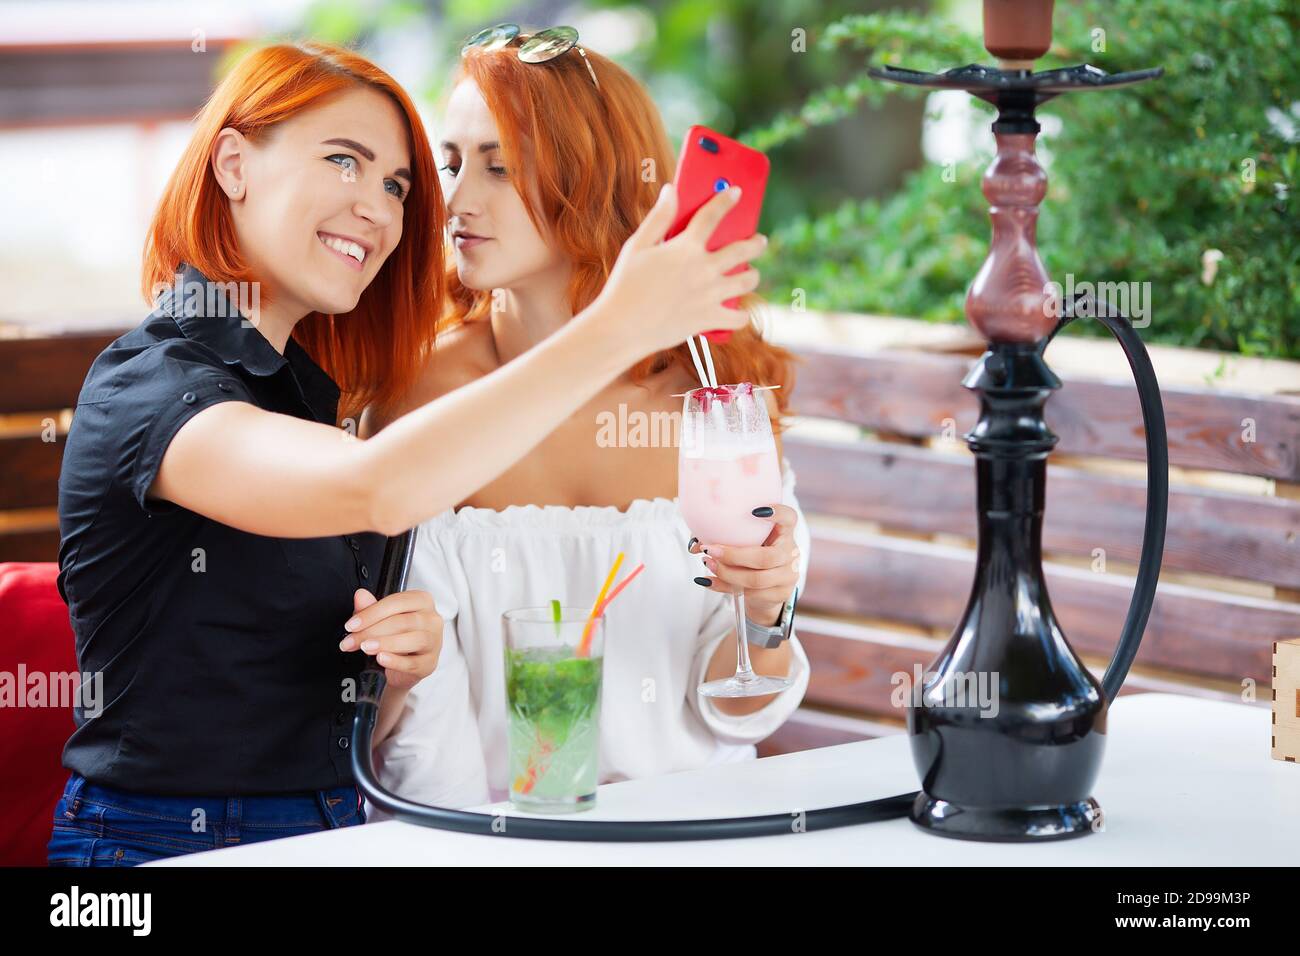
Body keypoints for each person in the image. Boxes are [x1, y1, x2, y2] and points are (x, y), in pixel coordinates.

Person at [47, 40, 762, 866]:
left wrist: (398, 675)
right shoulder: (153, 388)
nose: (381, 209)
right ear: (234, 165)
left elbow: (334, 722)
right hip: (159, 843)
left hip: (332, 830)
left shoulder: (310, 394)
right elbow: (377, 487)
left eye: (395, 185)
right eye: (343, 161)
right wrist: (619, 327)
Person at [364, 34, 807, 812]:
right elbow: (396, 709)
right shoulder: (419, 397)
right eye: (453, 164)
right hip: (485, 835)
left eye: (501, 167)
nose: (459, 202)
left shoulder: (717, 402)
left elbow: (735, 714)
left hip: (689, 828)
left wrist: (768, 615)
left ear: (594, 182)